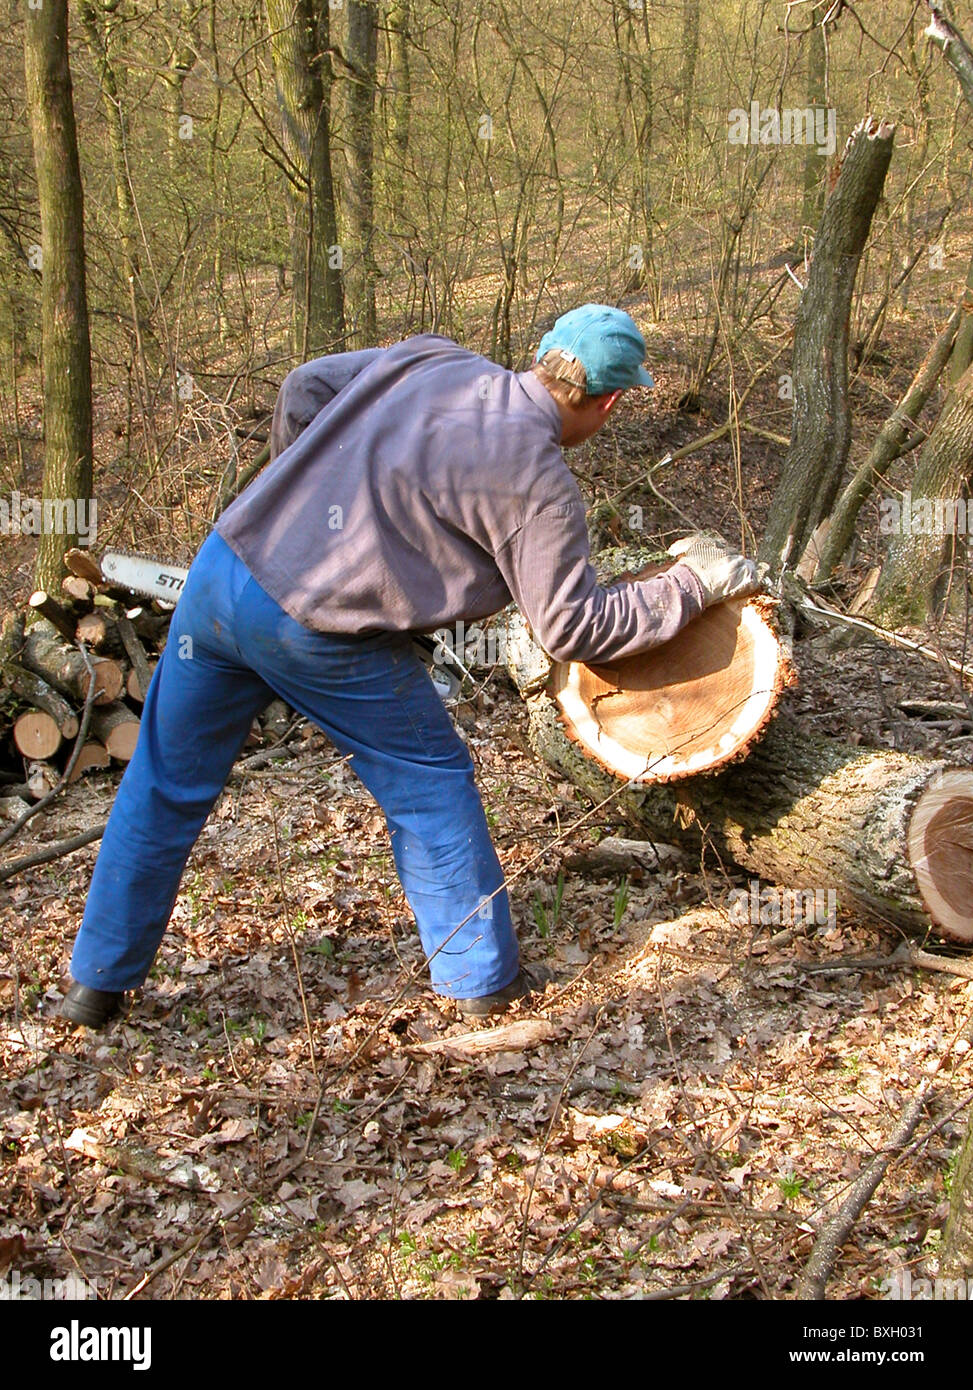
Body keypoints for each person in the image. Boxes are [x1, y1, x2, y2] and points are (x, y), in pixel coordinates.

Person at [60, 304, 758, 1028]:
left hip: (223, 572)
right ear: (611, 401)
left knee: (164, 782)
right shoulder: (538, 480)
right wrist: (693, 584)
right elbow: (574, 626)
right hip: (317, 630)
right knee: (428, 783)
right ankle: (480, 980)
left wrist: (303, 493)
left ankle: (95, 985)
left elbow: (303, 387)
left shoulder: (435, 359)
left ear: (544, 354)